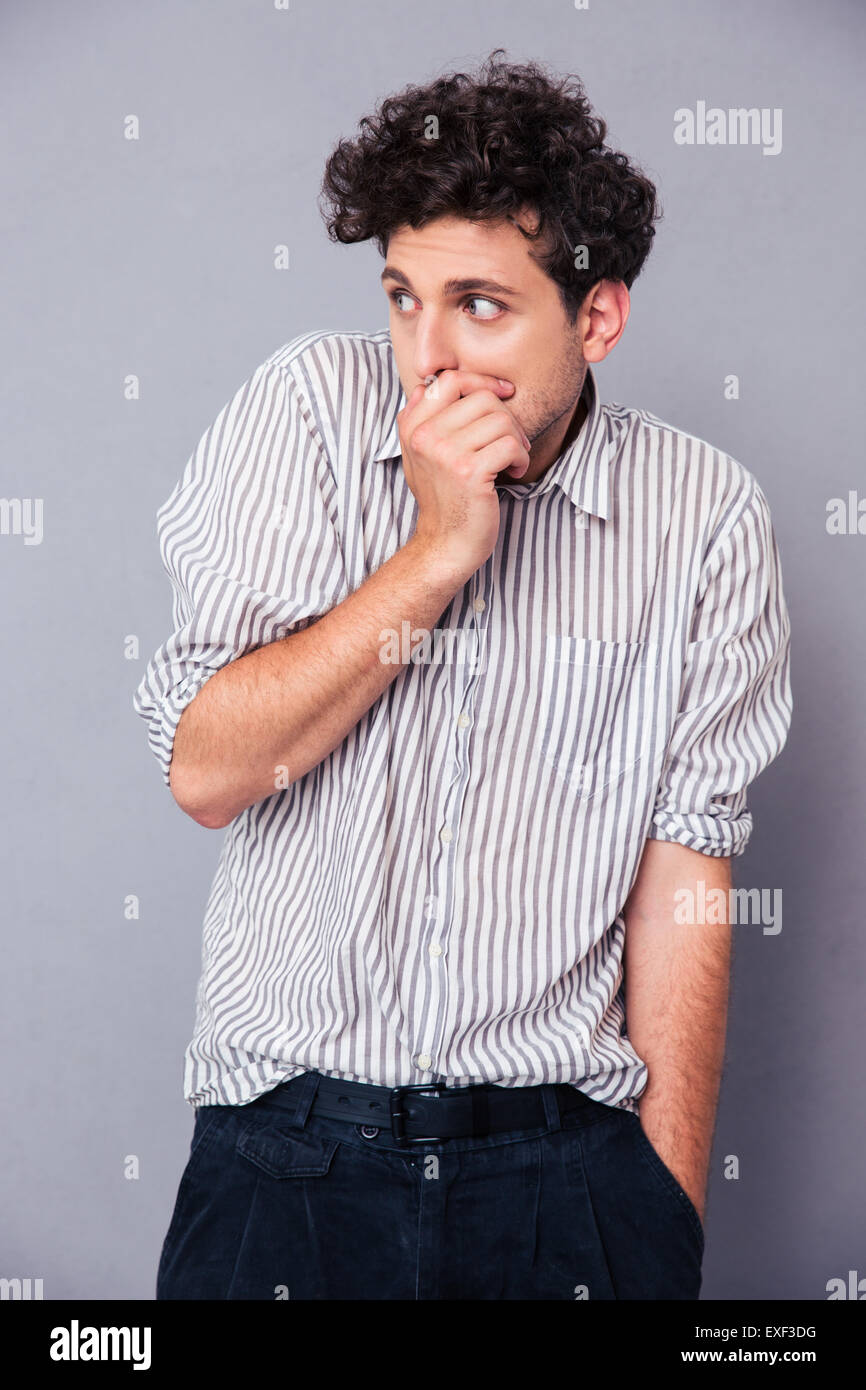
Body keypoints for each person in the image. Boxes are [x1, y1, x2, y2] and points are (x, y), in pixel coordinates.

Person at [134, 49, 792, 1300]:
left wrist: (661, 1218)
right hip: (287, 1163)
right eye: (400, 297)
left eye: (480, 306)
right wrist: (436, 551)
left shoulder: (703, 516)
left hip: (562, 1179)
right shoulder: (304, 416)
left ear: (595, 316)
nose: (423, 358)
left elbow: (685, 883)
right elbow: (208, 772)